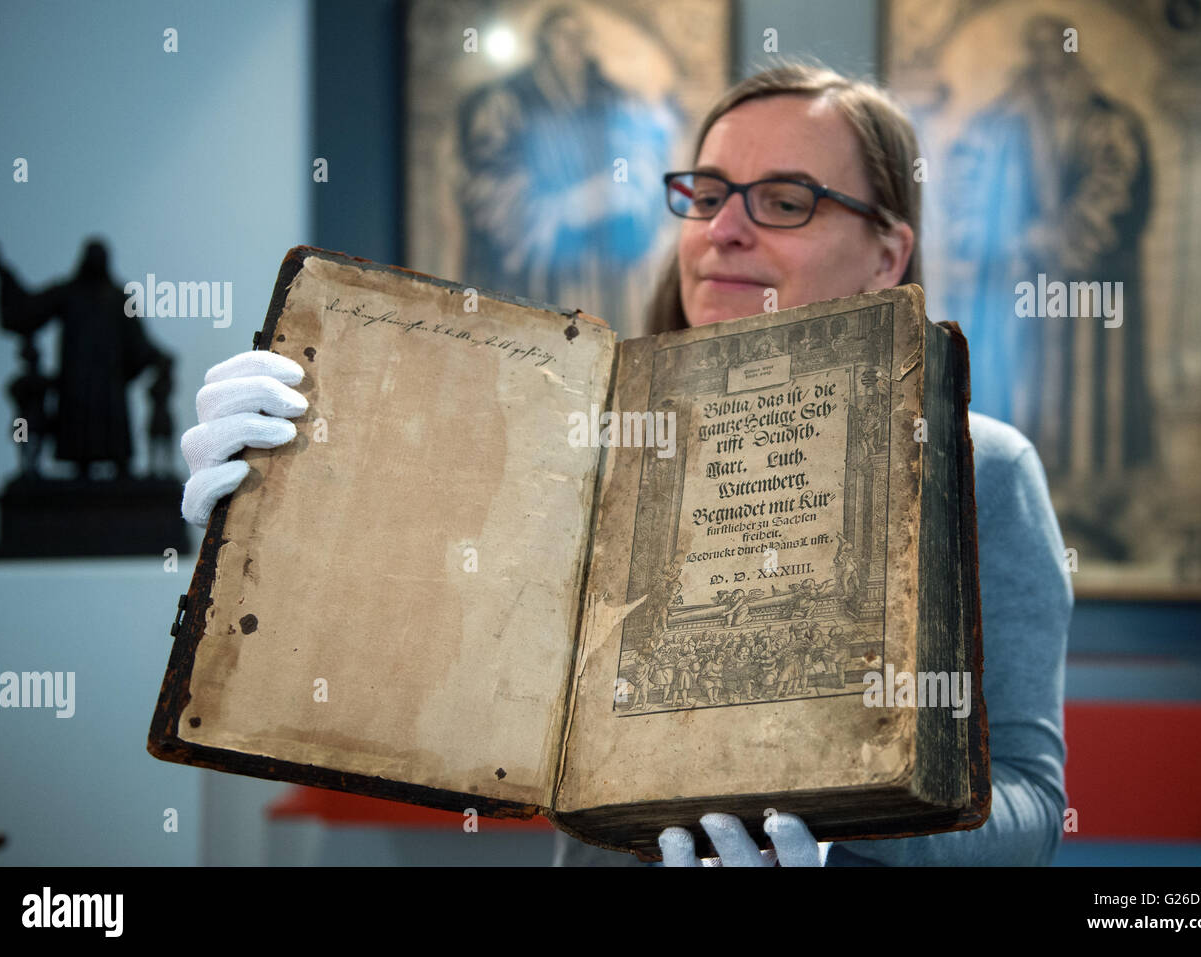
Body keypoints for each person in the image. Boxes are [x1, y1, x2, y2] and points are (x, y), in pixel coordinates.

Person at [180, 61, 1072, 867]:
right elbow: (415, 628)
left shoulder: (982, 467)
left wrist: (838, 832)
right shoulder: (585, 447)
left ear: (888, 256)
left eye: (786, 199)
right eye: (709, 191)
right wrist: (262, 507)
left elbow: (1032, 810)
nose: (723, 228)